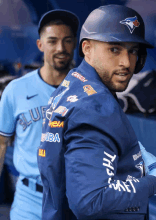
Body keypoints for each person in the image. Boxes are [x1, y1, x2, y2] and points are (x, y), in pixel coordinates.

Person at [38, 4, 156, 220]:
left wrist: (126, 152)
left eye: (133, 51)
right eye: (114, 49)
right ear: (87, 49)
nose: (126, 63)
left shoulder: (73, 82)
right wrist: (154, 182)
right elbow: (91, 202)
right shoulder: (97, 106)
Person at [0, 9, 79, 220]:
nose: (61, 48)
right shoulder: (15, 90)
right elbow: (1, 144)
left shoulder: (87, 91)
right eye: (52, 41)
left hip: (74, 201)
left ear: (75, 44)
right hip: (29, 199)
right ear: (40, 45)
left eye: (67, 40)